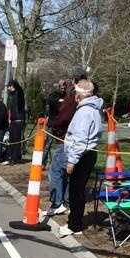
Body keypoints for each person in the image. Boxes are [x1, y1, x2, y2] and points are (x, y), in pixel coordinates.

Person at [56, 80, 102, 238]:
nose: (74, 96)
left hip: (82, 155)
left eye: (76, 93)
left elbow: (81, 138)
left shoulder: (85, 112)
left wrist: (72, 160)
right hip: (88, 153)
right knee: (78, 190)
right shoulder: (92, 110)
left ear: (81, 95)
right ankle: (75, 221)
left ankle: (74, 225)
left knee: (76, 191)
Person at [43, 79, 78, 217]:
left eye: (66, 85)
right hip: (65, 137)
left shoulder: (73, 102)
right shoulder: (56, 96)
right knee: (64, 171)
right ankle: (64, 201)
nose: (64, 87)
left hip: (67, 140)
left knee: (56, 171)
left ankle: (58, 203)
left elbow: (63, 117)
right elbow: (52, 104)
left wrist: (57, 124)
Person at [6, 80, 26, 164]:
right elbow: (9, 108)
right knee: (11, 139)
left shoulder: (19, 93)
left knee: (17, 139)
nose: (8, 88)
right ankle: (12, 156)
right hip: (12, 120)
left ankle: (16, 157)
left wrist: (14, 84)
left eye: (9, 86)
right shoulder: (10, 96)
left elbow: (20, 90)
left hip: (18, 119)